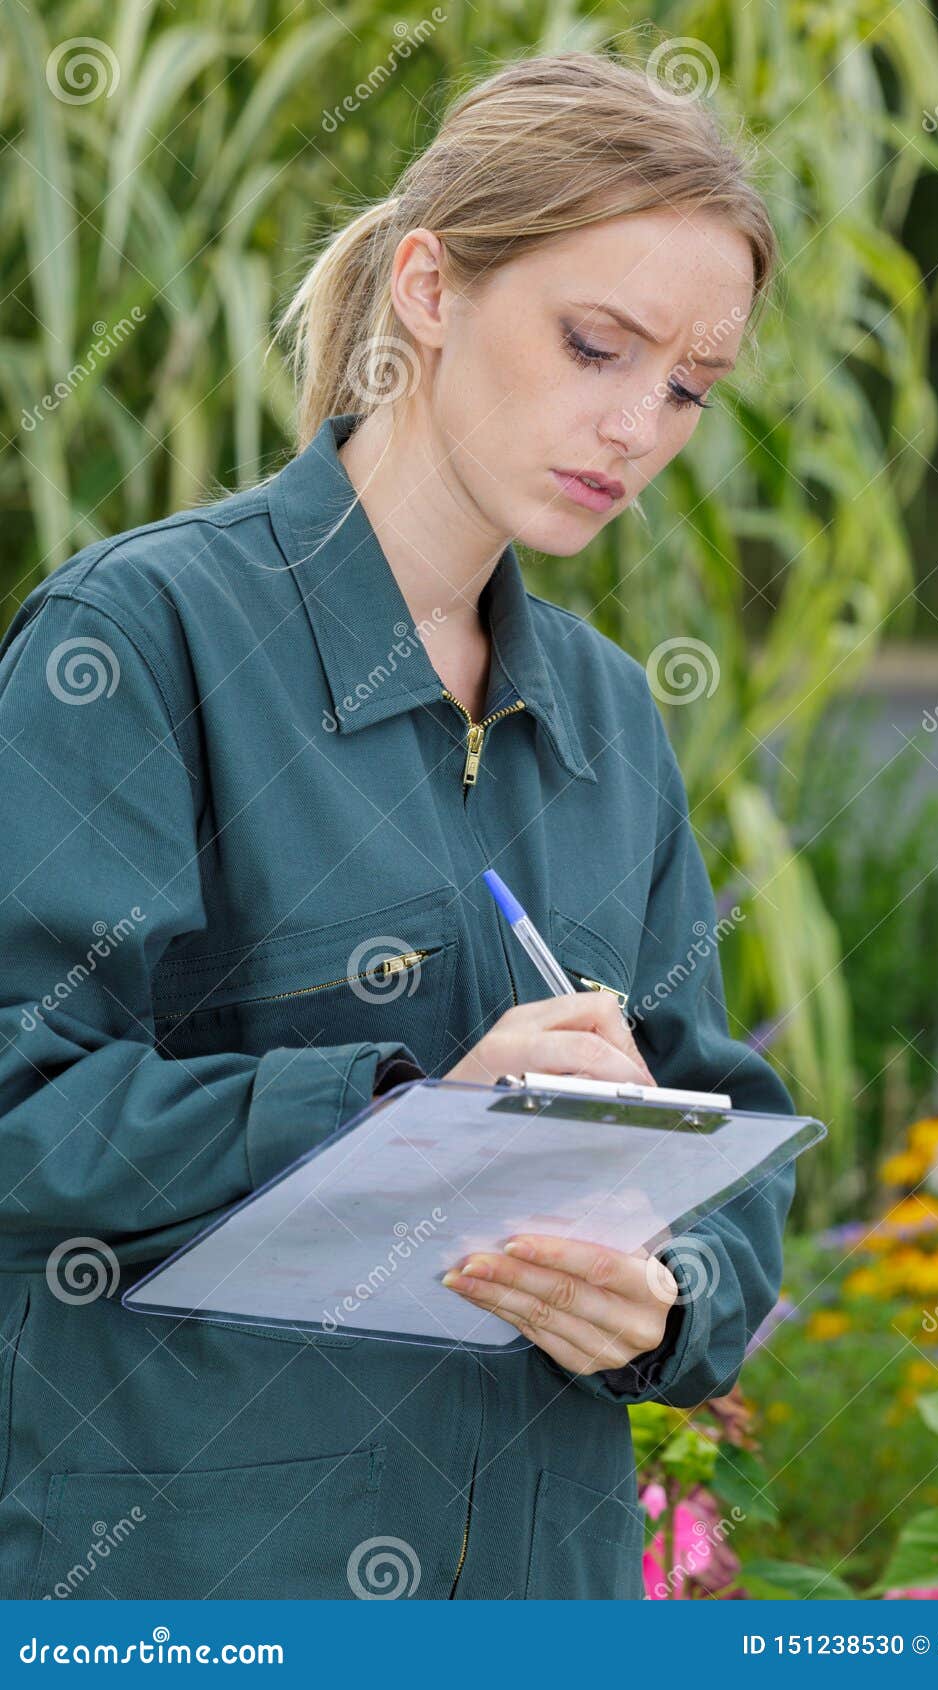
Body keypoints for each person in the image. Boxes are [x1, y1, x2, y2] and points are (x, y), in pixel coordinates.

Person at [0, 49, 796, 1601]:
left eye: (688, 386)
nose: (638, 425)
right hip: (201, 1575)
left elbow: (728, 1134)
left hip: (539, 1583)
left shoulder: (610, 713)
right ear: (430, 288)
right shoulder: (142, 638)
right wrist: (399, 1110)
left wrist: (667, 1295)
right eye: (596, 345)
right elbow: (22, 1094)